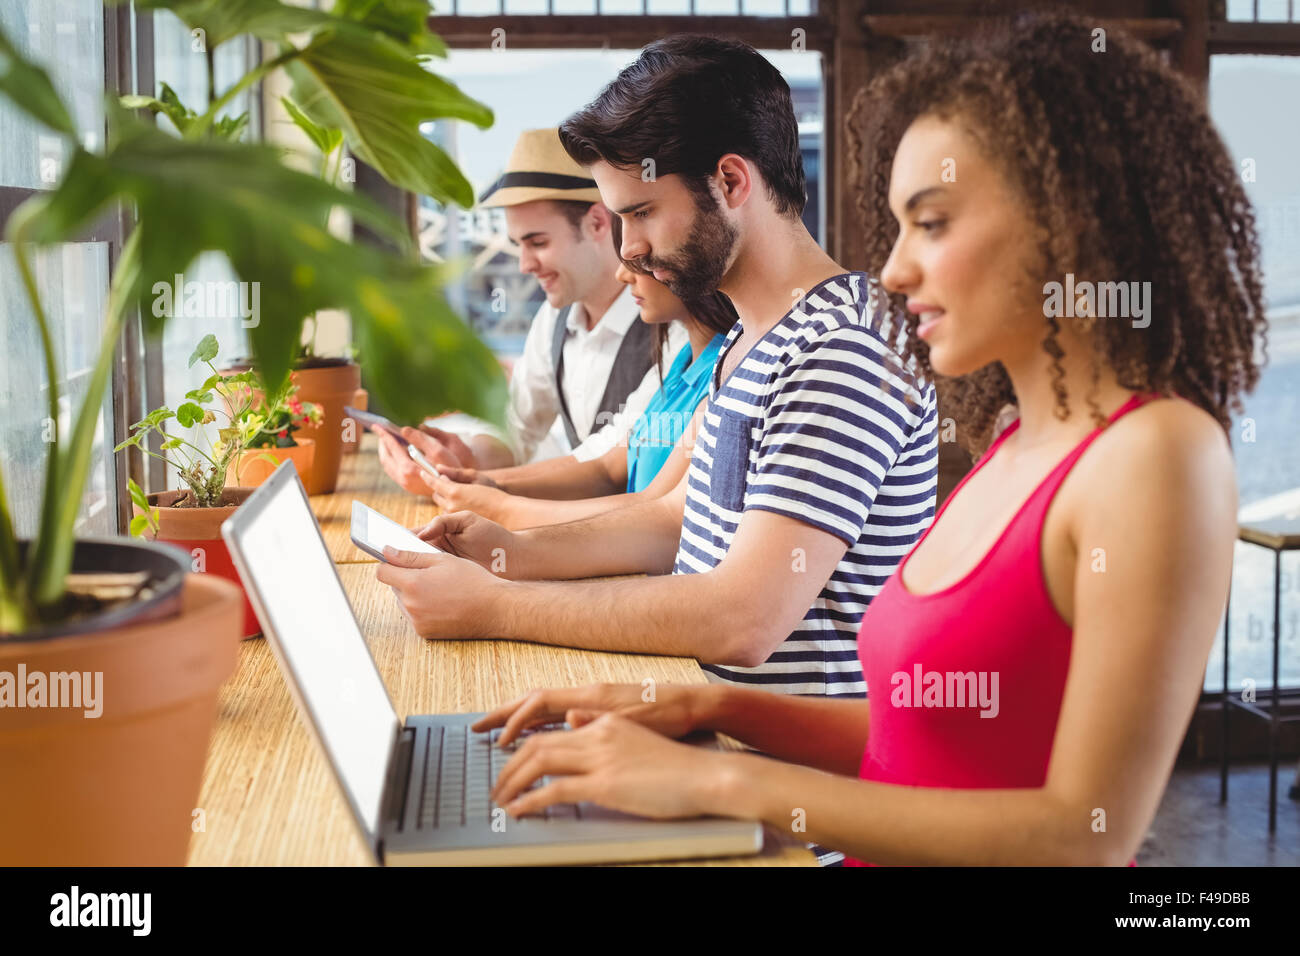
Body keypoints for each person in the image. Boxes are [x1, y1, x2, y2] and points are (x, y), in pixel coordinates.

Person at [460, 12, 1266, 866]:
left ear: (1064, 215)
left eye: (934, 222)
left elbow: (1079, 839)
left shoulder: (1160, 453)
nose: (893, 269)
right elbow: (922, 731)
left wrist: (722, 782)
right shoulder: (1017, 444)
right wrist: (710, 712)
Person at [376, 36, 938, 702]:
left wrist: (496, 602)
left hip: (776, 773)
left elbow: (744, 619)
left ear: (731, 182)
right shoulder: (749, 338)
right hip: (700, 719)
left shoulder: (839, 346)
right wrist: (509, 550)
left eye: (640, 213)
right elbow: (673, 518)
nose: (629, 249)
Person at [376, 128, 686, 487]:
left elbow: (609, 457)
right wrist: (465, 456)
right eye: (518, 245)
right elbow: (518, 428)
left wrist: (472, 483)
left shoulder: (670, 325)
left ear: (598, 222)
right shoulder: (554, 318)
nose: (524, 265)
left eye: (537, 242)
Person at [418, 214, 733, 530]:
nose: (623, 274)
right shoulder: (679, 363)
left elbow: (656, 514)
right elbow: (608, 468)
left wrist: (502, 508)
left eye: (640, 259)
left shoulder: (722, 376)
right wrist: (488, 485)